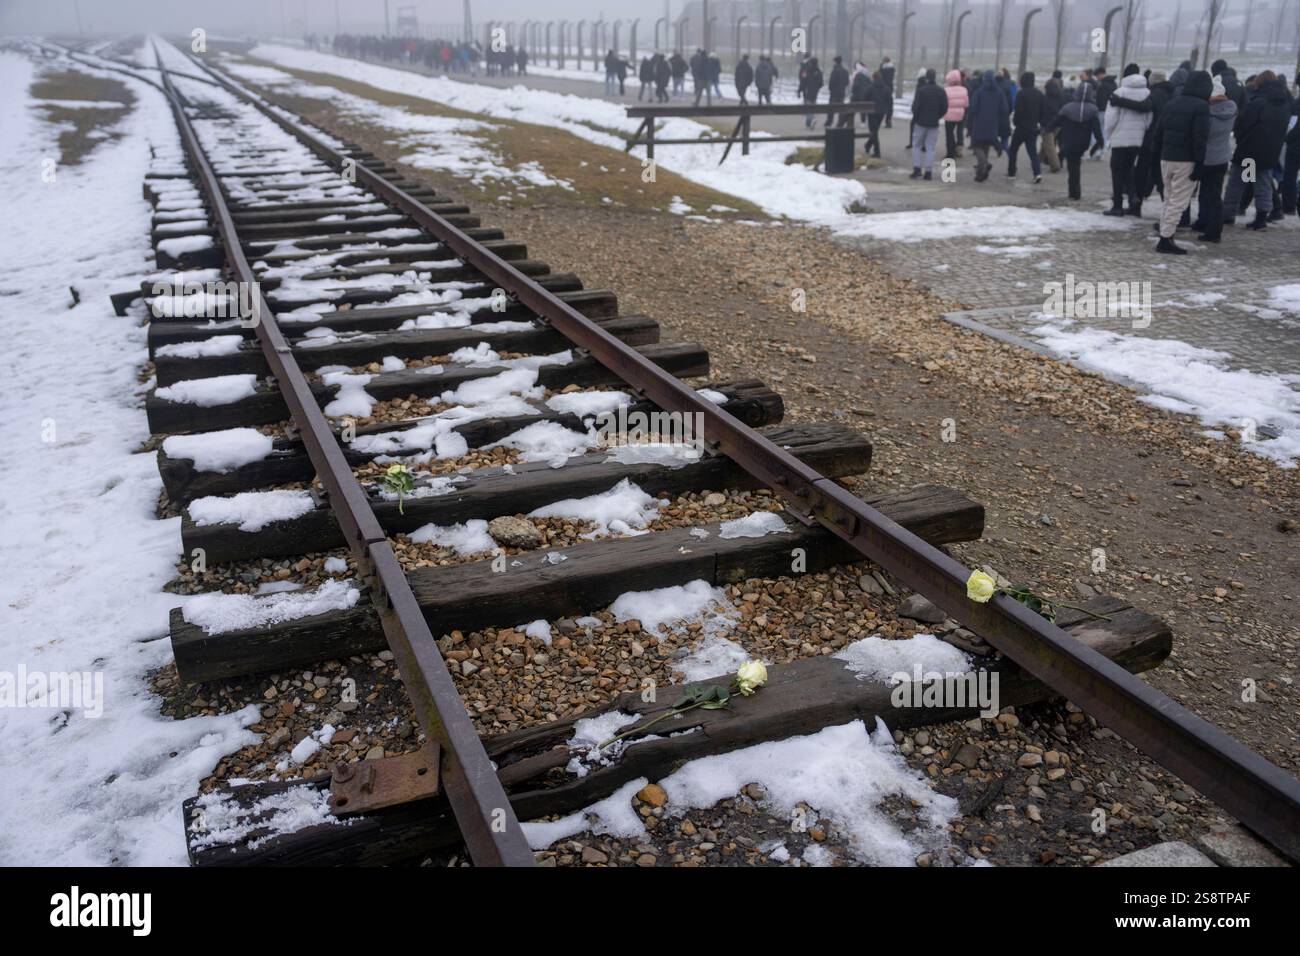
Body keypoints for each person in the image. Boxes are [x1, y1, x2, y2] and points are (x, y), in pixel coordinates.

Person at [1151, 69, 1211, 253]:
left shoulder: (1172, 102)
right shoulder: (1201, 107)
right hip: (1187, 160)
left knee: (1169, 199)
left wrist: (1156, 156)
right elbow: (1199, 138)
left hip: (1166, 157)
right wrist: (1200, 164)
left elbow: (1158, 132)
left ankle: (1165, 234)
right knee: (1178, 201)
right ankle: (1166, 239)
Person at [1222, 71, 1291, 230]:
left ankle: (1228, 213)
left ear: (1259, 83)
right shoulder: (1284, 103)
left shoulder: (1258, 102)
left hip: (1250, 150)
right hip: (1270, 151)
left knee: (1237, 183)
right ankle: (1261, 217)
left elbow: (1244, 123)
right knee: (1262, 183)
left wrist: (1240, 138)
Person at [1194, 74, 1238, 242]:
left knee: (1205, 194)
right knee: (1213, 194)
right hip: (1222, 157)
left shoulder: (1207, 112)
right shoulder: (1231, 108)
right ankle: (1209, 225)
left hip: (1206, 158)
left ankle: (1210, 228)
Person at [1103, 67, 1152, 215]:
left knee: (1117, 171)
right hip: (1138, 139)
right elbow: (1149, 117)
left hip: (1120, 138)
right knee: (1130, 168)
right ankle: (1132, 197)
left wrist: (1110, 134)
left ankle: (1117, 205)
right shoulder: (1147, 93)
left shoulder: (1119, 92)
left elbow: (1111, 119)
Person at [1044, 80, 1104, 200]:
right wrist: (1100, 142)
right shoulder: (1093, 110)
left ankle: (1074, 192)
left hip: (1068, 141)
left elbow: (1056, 122)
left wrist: (1047, 130)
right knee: (1075, 165)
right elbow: (1097, 129)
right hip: (1082, 143)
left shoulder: (1068, 108)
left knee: (1073, 166)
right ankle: (1075, 191)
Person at [969, 69, 1008, 182]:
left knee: (976, 146)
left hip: (979, 124)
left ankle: (984, 165)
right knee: (985, 146)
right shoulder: (999, 92)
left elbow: (973, 108)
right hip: (993, 124)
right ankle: (982, 173)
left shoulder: (979, 92)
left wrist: (970, 121)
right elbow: (1004, 108)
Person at [1007, 71, 1045, 181]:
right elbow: (1043, 111)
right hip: (1033, 127)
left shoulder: (1021, 93)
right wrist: (1039, 122)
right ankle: (1037, 173)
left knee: (1013, 149)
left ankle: (1011, 173)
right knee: (1032, 151)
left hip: (1021, 127)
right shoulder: (1039, 94)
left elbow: (1018, 110)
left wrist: (1015, 122)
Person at [910, 68, 947, 179]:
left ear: (926, 77)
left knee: (916, 146)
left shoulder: (921, 90)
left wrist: (916, 118)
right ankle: (928, 172)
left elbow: (915, 107)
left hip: (920, 122)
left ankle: (917, 169)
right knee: (930, 148)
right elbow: (945, 107)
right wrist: (937, 116)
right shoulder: (941, 91)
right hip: (933, 123)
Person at [1040, 76, 1064, 172]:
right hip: (1058, 123)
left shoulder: (1044, 98)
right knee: (1048, 142)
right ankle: (1038, 158)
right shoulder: (1061, 97)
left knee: (1049, 145)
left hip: (1047, 124)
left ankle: (1055, 165)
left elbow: (1042, 111)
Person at [863, 70, 890, 157]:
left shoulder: (870, 88)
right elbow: (889, 101)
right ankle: (868, 145)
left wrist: (864, 112)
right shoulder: (886, 88)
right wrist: (889, 115)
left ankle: (877, 152)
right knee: (875, 131)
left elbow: (864, 99)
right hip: (881, 113)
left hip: (872, 112)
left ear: (873, 78)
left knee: (873, 132)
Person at [943, 69, 969, 159]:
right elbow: (966, 104)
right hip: (960, 114)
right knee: (959, 131)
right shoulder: (964, 90)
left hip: (949, 115)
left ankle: (950, 153)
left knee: (949, 134)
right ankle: (958, 149)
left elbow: (944, 103)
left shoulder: (946, 90)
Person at [800, 57, 823, 128]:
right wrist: (817, 88)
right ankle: (808, 123)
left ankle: (812, 119)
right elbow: (821, 83)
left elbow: (803, 81)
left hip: (807, 91)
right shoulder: (819, 71)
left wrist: (800, 90)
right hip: (815, 92)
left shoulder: (807, 71)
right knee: (812, 106)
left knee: (808, 107)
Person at [827, 56, 850, 127]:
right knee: (841, 107)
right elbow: (847, 82)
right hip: (842, 91)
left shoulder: (834, 71)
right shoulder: (845, 71)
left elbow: (831, 82)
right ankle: (841, 121)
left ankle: (829, 122)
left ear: (835, 62)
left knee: (831, 108)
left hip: (834, 92)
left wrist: (831, 89)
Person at [880, 57, 896, 126]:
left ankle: (880, 119)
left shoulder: (882, 69)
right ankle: (888, 119)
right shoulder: (892, 69)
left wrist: (881, 65)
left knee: (882, 104)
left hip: (883, 88)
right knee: (889, 104)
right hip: (890, 88)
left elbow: (880, 75)